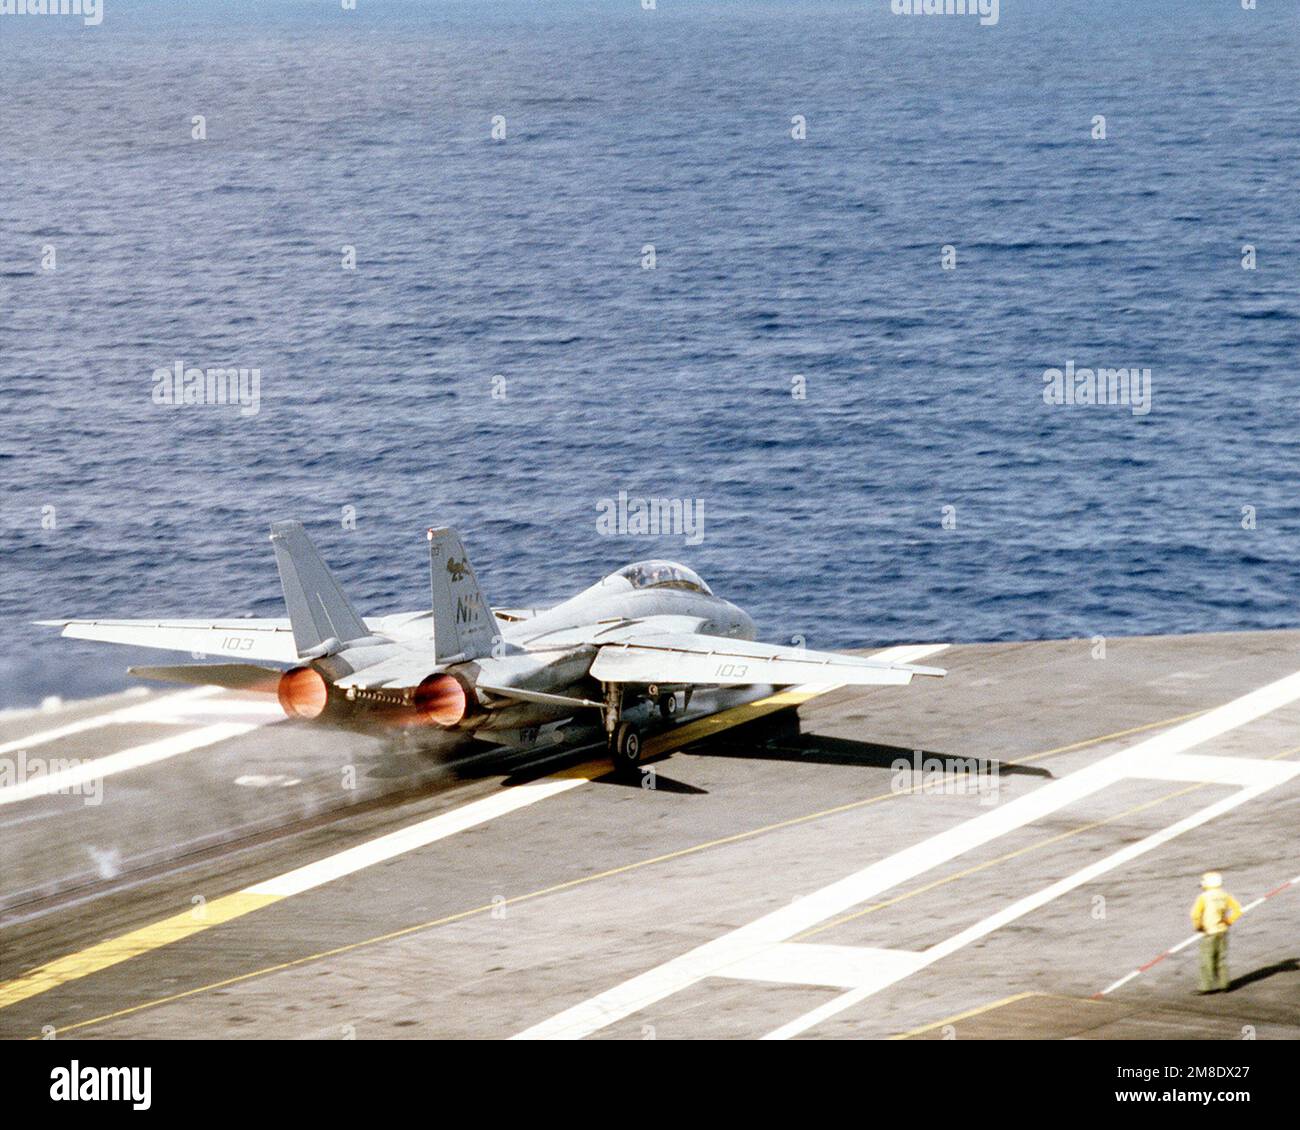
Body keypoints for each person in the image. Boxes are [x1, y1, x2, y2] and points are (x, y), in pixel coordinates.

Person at [1190, 871, 1242, 993]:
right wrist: (1228, 921)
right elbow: (1237, 910)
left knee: (1207, 960)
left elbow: (1195, 914)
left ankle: (1205, 987)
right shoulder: (1225, 895)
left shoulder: (1203, 897)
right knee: (1221, 959)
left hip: (1209, 932)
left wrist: (1198, 926)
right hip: (1222, 931)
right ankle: (1224, 985)